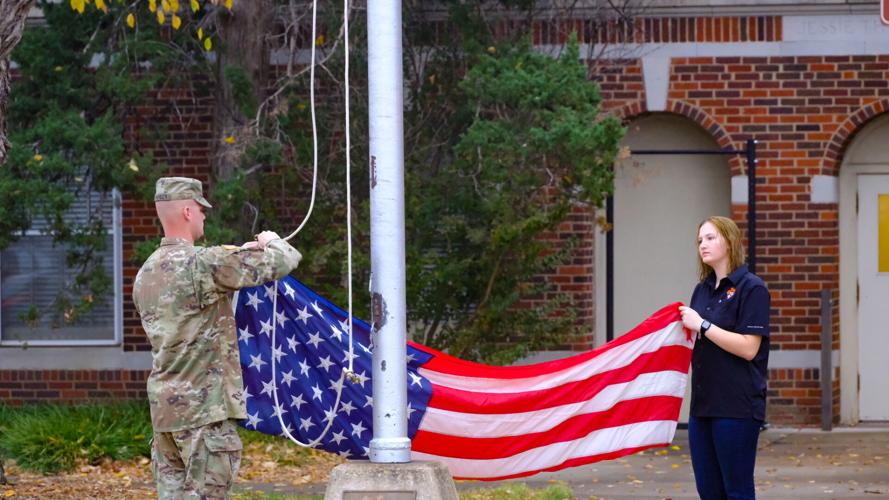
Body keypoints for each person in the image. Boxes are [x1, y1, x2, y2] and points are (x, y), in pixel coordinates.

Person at [133, 177, 302, 499]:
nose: (204, 216)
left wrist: (241, 253)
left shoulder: (147, 271)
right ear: (186, 211)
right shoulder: (202, 263)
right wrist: (272, 240)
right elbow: (283, 261)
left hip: (165, 413)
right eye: (200, 209)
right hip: (203, 412)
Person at [678, 215, 771, 500]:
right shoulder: (701, 290)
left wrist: (703, 325)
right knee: (709, 491)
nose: (702, 245)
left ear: (729, 242)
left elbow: (748, 348)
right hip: (702, 407)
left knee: (737, 490)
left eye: (710, 238)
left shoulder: (752, 288)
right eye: (699, 241)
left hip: (736, 408)